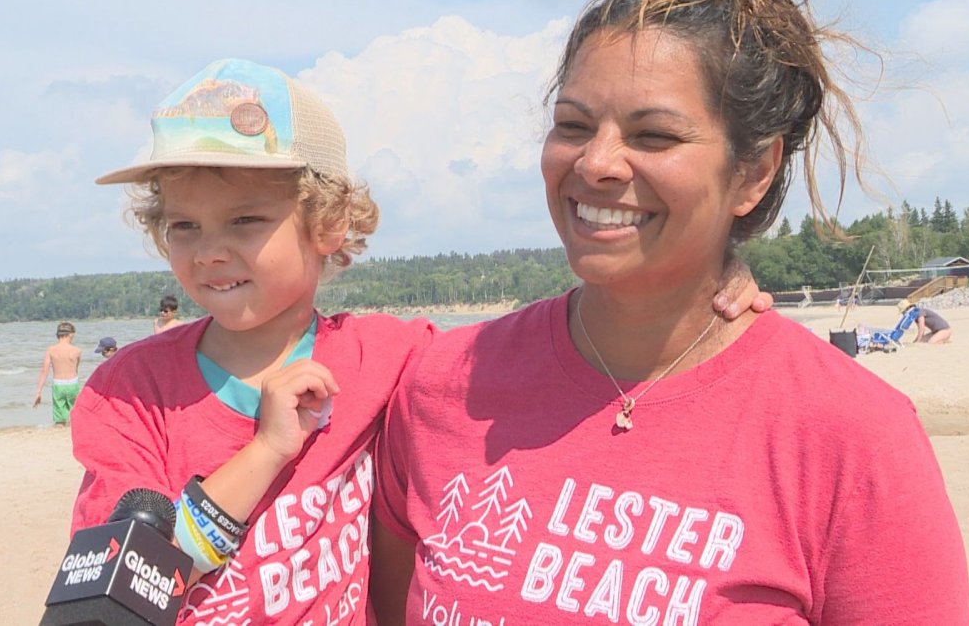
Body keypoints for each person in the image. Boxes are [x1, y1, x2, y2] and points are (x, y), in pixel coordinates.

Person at [371, 0, 969, 624]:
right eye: (572, 125)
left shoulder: (852, 437)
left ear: (753, 171)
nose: (596, 163)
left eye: (653, 135)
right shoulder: (442, 385)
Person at [66, 59, 770, 625]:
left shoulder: (386, 357)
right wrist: (266, 450)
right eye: (183, 226)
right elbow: (126, 578)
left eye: (245, 220)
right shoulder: (126, 392)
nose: (208, 251)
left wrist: (702, 285)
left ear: (330, 225)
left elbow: (543, 346)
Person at [32, 321, 83, 424]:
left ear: (58, 335)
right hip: (73, 384)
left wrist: (38, 392)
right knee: (75, 415)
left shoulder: (51, 350)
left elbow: (44, 372)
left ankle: (60, 426)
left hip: (58, 385)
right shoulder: (77, 350)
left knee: (59, 419)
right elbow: (76, 369)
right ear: (71, 334)